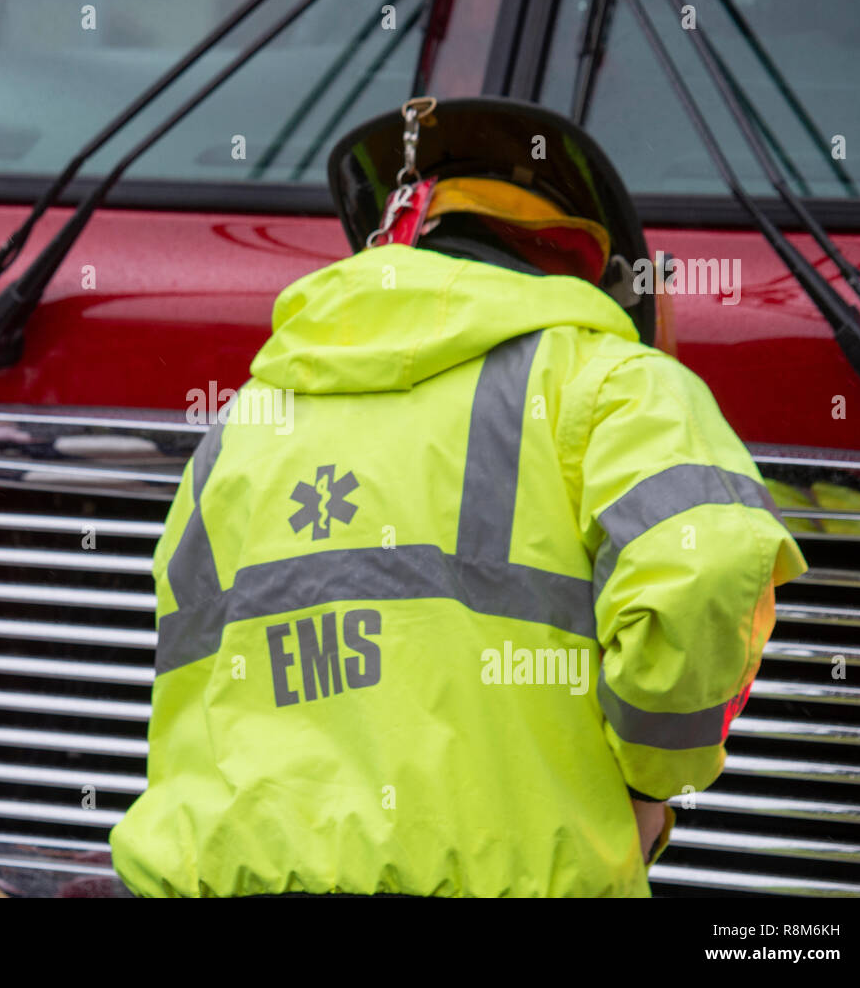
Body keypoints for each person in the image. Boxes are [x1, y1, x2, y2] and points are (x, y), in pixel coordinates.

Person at [108, 96, 807, 898]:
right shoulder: (616, 384)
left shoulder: (243, 422)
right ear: (579, 260)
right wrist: (654, 777)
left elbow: (196, 680)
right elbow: (712, 563)